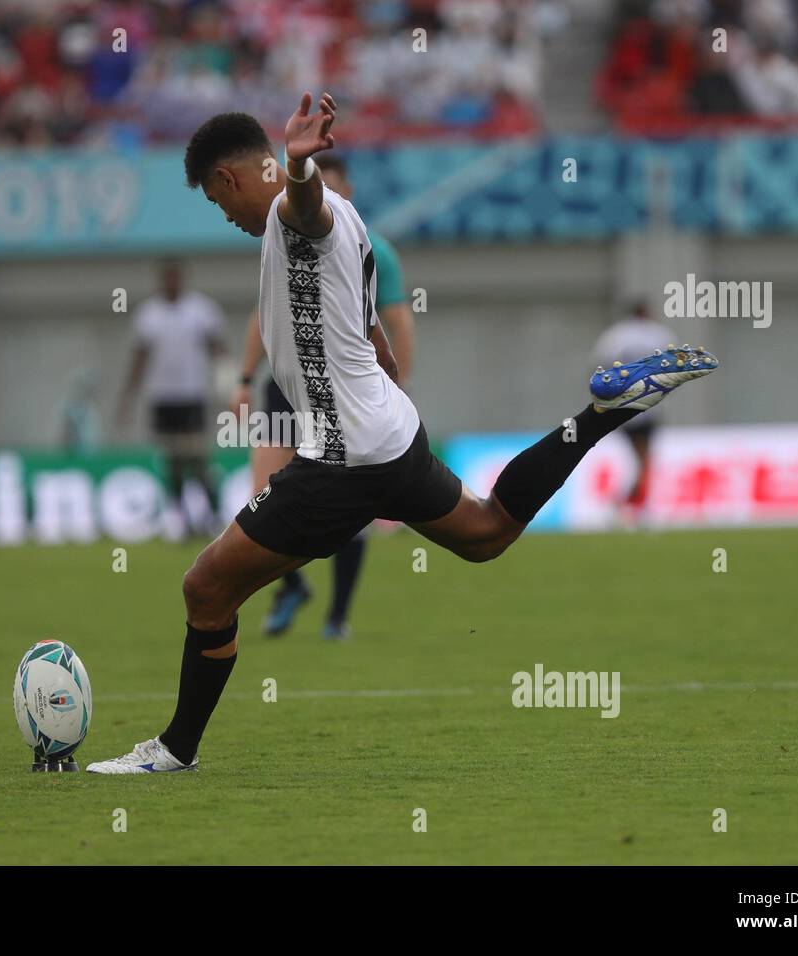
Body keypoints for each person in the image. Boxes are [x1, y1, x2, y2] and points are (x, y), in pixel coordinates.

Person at [87, 94, 717, 774]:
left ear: (228, 179)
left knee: (205, 588)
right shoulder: (352, 219)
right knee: (487, 530)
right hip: (387, 431)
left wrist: (298, 168)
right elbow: (357, 307)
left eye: (218, 203)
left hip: (343, 454)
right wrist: (381, 356)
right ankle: (604, 413)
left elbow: (305, 210)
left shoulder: (289, 210)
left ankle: (176, 749)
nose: (227, 217)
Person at [231, 152, 414, 639]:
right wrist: (245, 378)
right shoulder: (282, 235)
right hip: (285, 389)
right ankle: (292, 586)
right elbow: (262, 313)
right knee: (261, 499)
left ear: (344, 192)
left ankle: (337, 615)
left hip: (342, 394)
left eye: (328, 189)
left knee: (347, 510)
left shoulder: (373, 250)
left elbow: (394, 320)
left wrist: (396, 392)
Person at [116, 260, 228, 538]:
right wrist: (128, 398)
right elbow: (139, 360)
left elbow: (218, 351)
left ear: (182, 279)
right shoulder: (149, 314)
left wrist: (230, 387)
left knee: (198, 458)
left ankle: (212, 518)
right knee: (174, 462)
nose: (171, 284)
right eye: (166, 279)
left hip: (193, 395)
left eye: (175, 278)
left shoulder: (201, 310)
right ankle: (182, 520)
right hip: (163, 398)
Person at [591, 301, 677, 523]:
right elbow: (674, 366)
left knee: (639, 459)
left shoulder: (615, 336)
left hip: (622, 403)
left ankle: (630, 505)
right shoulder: (659, 334)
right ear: (647, 313)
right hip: (649, 404)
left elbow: (601, 366)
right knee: (644, 460)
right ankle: (628, 505)